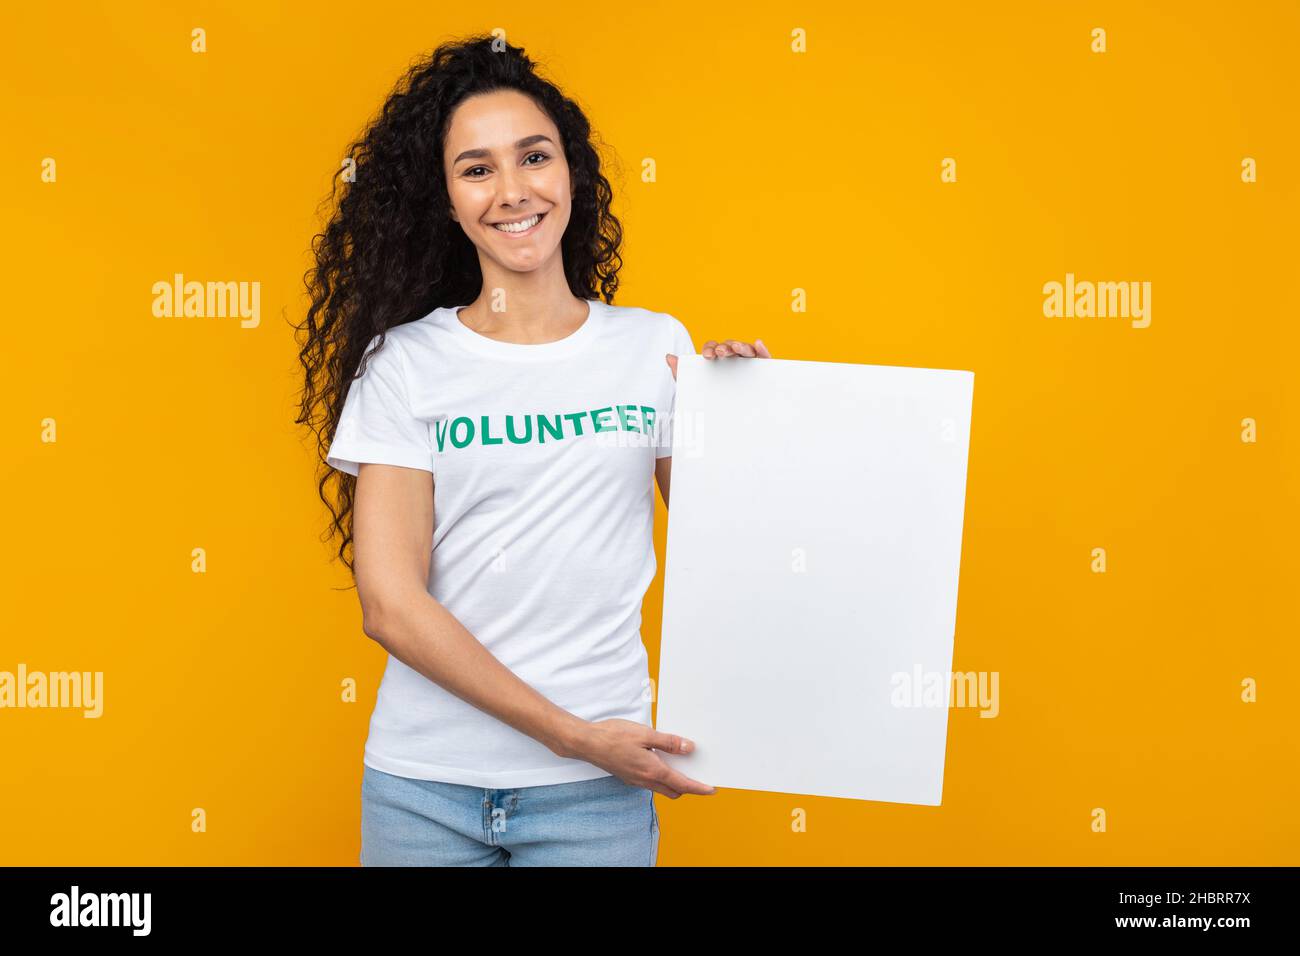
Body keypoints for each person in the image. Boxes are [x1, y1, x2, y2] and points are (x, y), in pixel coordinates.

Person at [296, 34, 771, 866]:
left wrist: (752, 418)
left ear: (571, 175)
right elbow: (390, 605)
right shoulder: (406, 364)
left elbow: (730, 546)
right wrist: (573, 737)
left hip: (596, 801)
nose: (511, 191)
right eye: (476, 169)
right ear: (445, 201)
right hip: (425, 788)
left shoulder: (652, 348)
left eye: (533, 157)